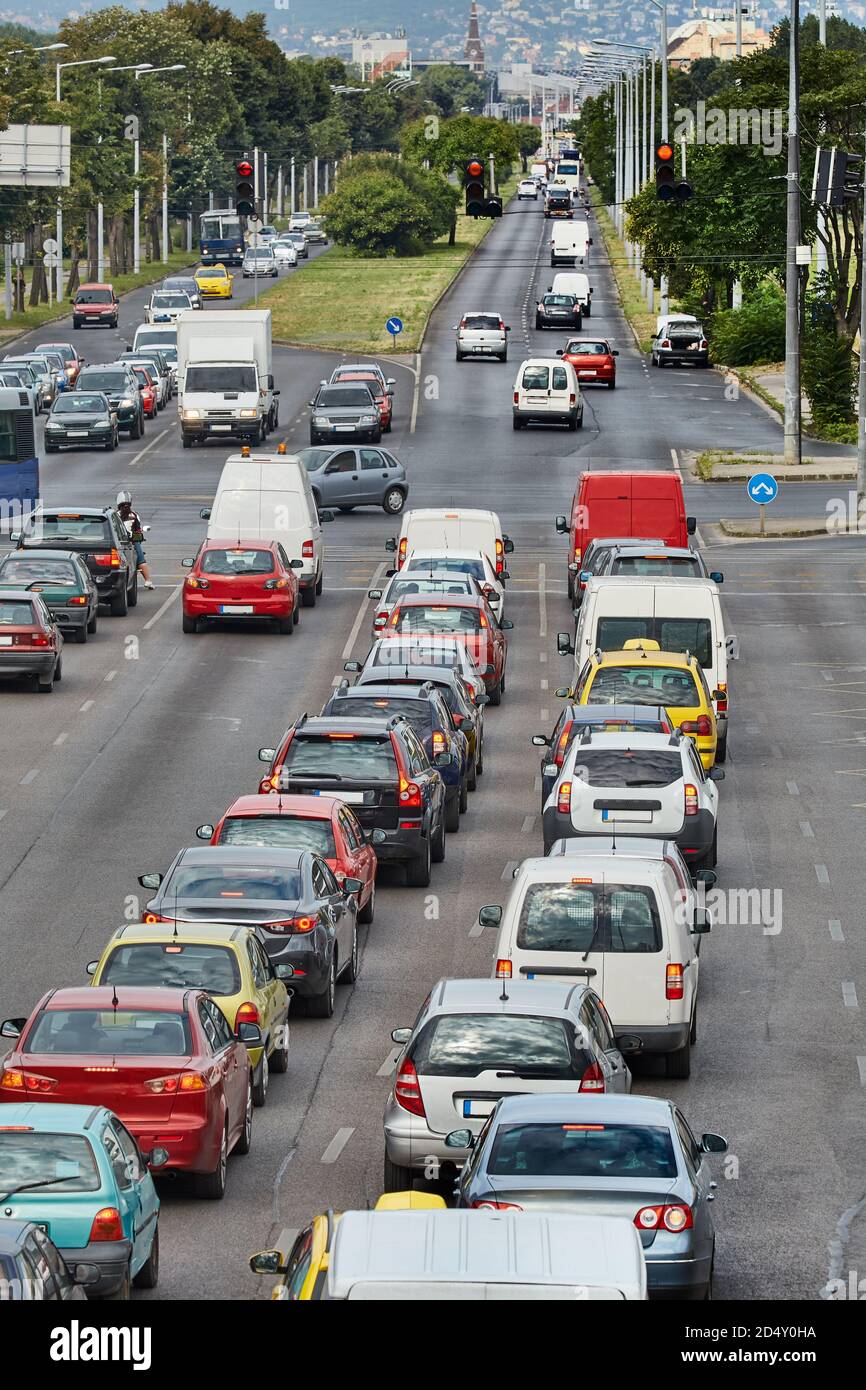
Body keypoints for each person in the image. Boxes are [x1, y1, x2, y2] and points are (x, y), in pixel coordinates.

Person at [116, 489, 154, 589]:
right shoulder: (134, 515)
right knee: (141, 561)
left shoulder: (115, 516)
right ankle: (148, 581)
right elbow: (138, 530)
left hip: (118, 543)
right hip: (132, 542)